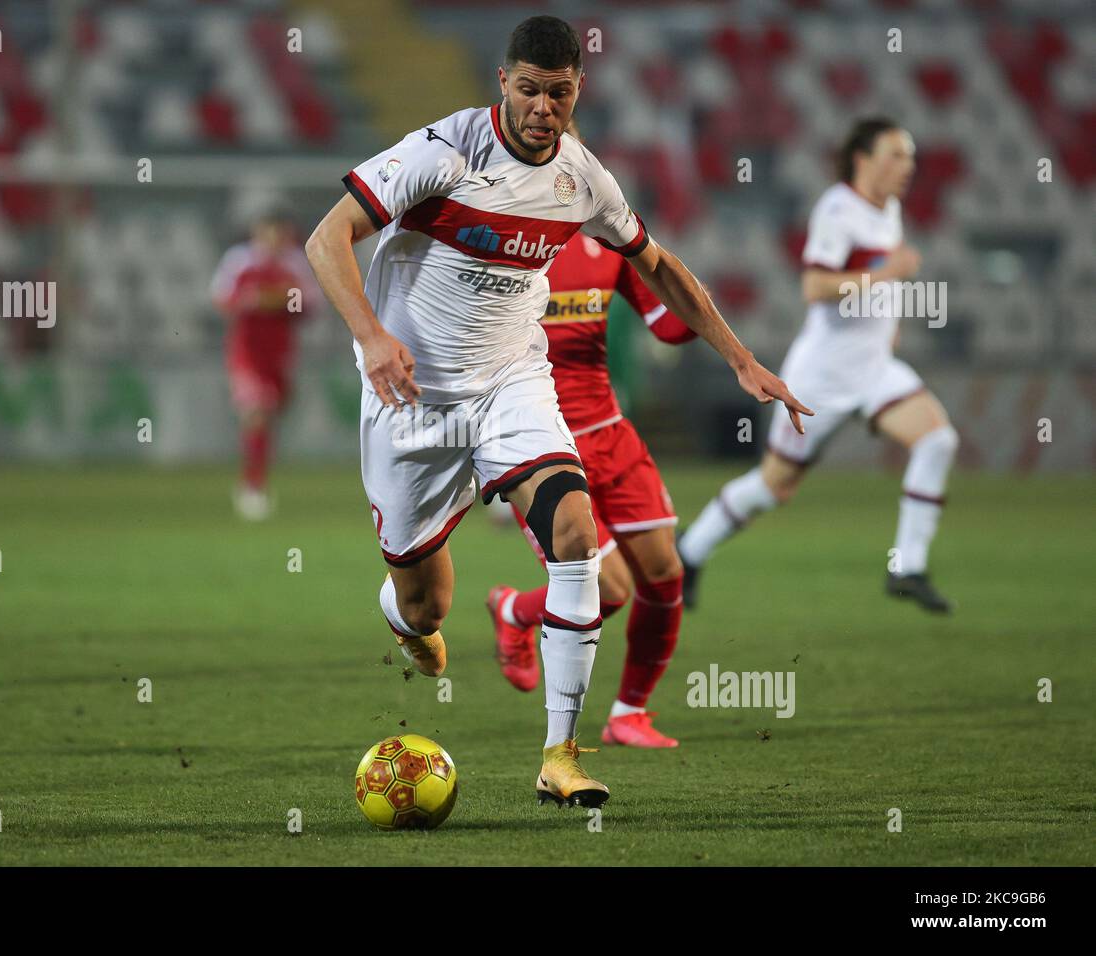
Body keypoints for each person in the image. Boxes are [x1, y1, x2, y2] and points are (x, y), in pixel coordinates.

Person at [306, 16, 809, 807]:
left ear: (580, 90)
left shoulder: (583, 180)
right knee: (423, 602)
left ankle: (559, 755)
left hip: (513, 380)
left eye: (560, 92)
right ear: (503, 83)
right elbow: (328, 237)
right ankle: (407, 620)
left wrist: (742, 359)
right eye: (531, 89)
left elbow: (661, 265)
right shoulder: (443, 153)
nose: (544, 107)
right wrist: (370, 336)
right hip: (412, 397)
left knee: (575, 531)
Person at [679, 117, 956, 613]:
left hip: (874, 368)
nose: (907, 166)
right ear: (863, 159)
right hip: (823, 376)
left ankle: (907, 567)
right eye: (896, 155)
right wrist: (886, 271)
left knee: (937, 440)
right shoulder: (837, 207)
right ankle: (690, 551)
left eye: (910, 157)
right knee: (772, 487)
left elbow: (872, 290)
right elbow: (816, 287)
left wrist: (887, 323)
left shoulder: (888, 210)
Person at [487, 121, 699, 749]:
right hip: (539, 444)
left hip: (609, 431)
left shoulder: (609, 239)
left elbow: (667, 325)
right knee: (608, 588)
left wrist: (692, 296)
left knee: (664, 575)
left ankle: (629, 712)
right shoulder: (499, 241)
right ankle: (516, 613)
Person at [210, 206, 319, 520]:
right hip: (246, 351)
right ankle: (252, 487)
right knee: (256, 412)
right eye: (268, 231)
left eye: (280, 233)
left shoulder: (296, 263)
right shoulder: (239, 260)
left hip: (281, 354)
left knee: (270, 415)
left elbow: (308, 305)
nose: (274, 239)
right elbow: (223, 300)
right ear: (258, 232)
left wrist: (268, 298)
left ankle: (256, 476)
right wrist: (270, 298)